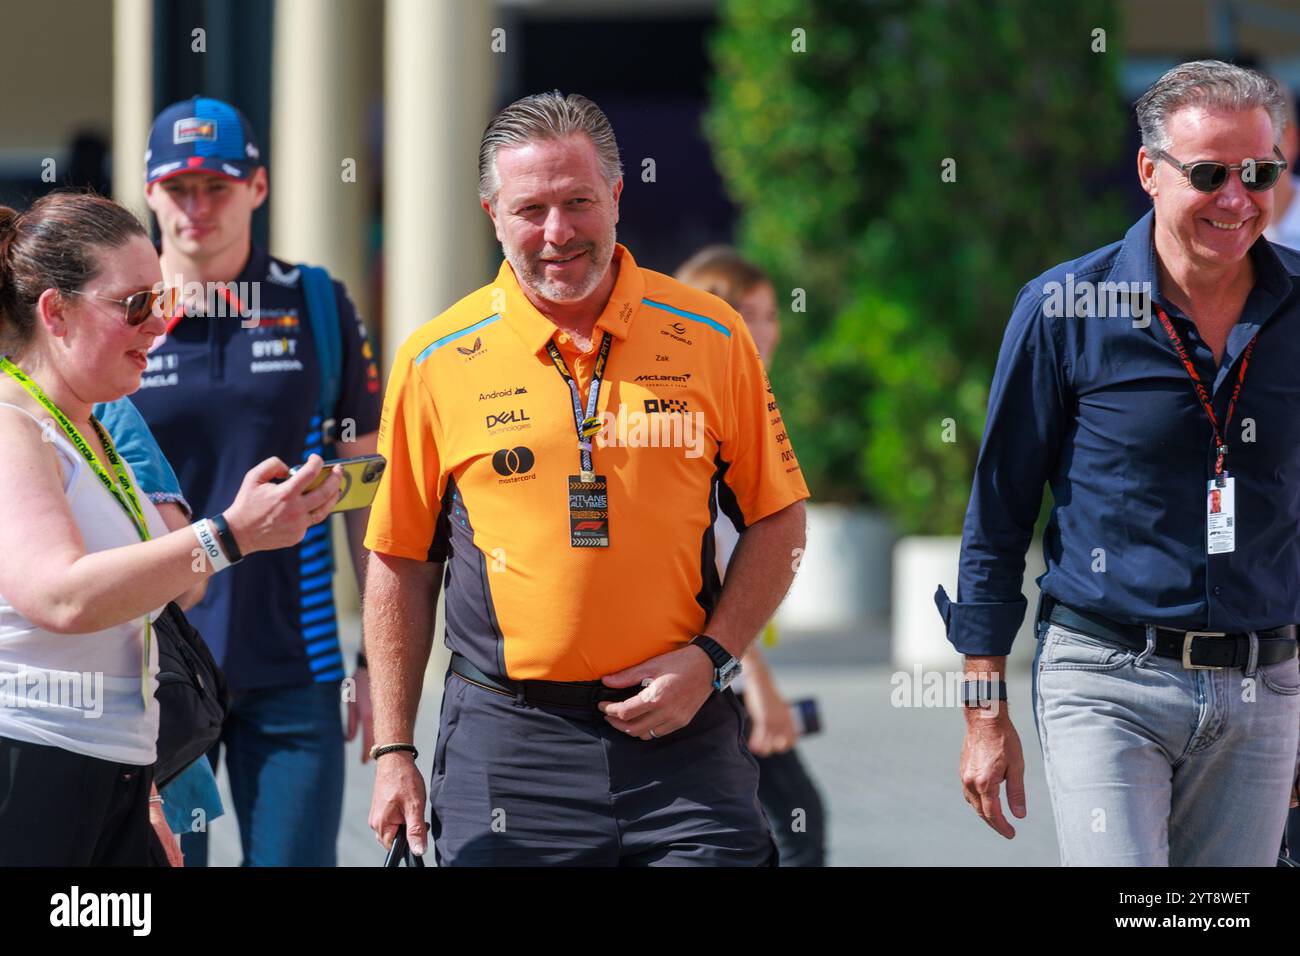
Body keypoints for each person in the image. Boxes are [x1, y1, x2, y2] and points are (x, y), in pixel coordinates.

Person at [364, 91, 810, 866]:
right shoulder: (435, 360)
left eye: (578, 202)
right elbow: (401, 559)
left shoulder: (711, 337)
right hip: (509, 746)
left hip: (683, 740)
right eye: (530, 209)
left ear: (616, 194)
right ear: (491, 213)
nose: (557, 233)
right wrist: (393, 748)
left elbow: (779, 519)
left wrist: (713, 659)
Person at [936, 60, 1300, 866]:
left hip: (1264, 684)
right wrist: (983, 712)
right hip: (1107, 680)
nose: (1238, 198)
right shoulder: (1064, 308)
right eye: (1209, 174)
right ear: (1149, 171)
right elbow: (996, 521)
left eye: (1261, 172)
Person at [0, 191, 341, 865]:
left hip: (111, 775)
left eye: (160, 299)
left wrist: (144, 789)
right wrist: (230, 535)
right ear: (56, 313)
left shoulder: (92, 425)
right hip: (34, 770)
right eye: (135, 305)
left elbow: (161, 597)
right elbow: (62, 596)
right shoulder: (13, 424)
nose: (159, 325)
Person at [129, 96, 383, 866]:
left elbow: (368, 499)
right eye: (179, 187)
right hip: (155, 672)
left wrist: (379, 662)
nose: (197, 207)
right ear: (149, 192)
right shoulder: (120, 314)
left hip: (295, 668)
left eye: (218, 185)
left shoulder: (314, 304)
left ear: (258, 188)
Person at [675, 244, 827, 867]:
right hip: (705, 666)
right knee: (792, 831)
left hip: (715, 663)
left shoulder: (740, 400)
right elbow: (713, 556)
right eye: (754, 313)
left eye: (769, 313)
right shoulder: (702, 404)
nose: (770, 329)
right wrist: (756, 684)